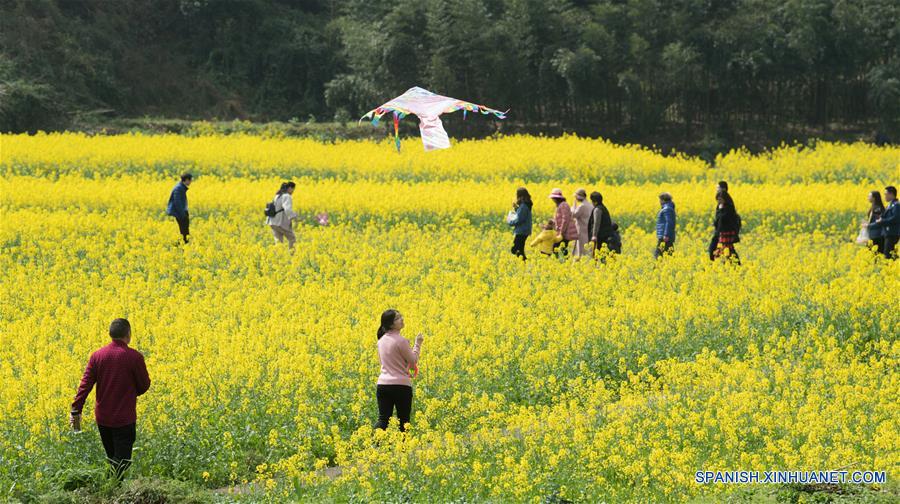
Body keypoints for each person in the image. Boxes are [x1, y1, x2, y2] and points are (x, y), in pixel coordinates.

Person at [70, 319, 151, 481]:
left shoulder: (97, 356)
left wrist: (76, 409)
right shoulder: (134, 357)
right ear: (128, 334)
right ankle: (105, 488)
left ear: (110, 334)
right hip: (124, 419)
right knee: (122, 462)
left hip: (103, 419)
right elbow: (144, 385)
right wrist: (130, 392)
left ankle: (110, 488)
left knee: (113, 459)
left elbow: (85, 385)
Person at [376, 310, 423, 432]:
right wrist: (418, 344)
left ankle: (373, 444)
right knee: (404, 420)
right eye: (398, 318)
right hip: (401, 386)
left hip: (382, 385)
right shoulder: (401, 341)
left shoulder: (380, 341)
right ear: (391, 324)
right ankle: (404, 449)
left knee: (383, 420)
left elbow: (385, 363)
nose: (402, 319)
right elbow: (413, 360)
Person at [865, 186, 899, 259]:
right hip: (887, 233)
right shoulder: (889, 205)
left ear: (891, 194)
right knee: (889, 254)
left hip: (891, 233)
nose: (884, 196)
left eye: (886, 194)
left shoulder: (896, 205)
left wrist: (881, 221)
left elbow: (895, 218)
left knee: (888, 255)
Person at [266, 181, 298, 251]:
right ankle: (293, 256)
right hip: (280, 222)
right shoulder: (287, 196)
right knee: (292, 238)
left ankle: (277, 257)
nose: (293, 191)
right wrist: (294, 216)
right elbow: (287, 209)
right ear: (289, 188)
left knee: (278, 241)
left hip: (272, 222)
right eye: (293, 189)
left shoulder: (277, 196)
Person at [712, 192, 741, 264]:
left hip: (727, 232)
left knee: (727, 248)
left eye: (720, 199)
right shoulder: (720, 208)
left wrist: (721, 210)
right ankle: (727, 263)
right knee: (724, 248)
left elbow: (723, 219)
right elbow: (717, 220)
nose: (719, 202)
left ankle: (734, 263)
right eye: (718, 200)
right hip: (722, 232)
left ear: (725, 199)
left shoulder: (728, 208)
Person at [549, 188, 578, 258]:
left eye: (553, 198)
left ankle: (564, 262)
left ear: (556, 198)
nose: (552, 200)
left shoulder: (563, 205)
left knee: (557, 247)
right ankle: (563, 262)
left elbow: (565, 219)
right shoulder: (560, 205)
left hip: (565, 232)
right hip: (561, 232)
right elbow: (559, 219)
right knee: (561, 248)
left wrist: (561, 232)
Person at [587, 191, 616, 257]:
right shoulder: (603, 208)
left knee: (599, 255)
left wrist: (594, 235)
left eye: (592, 201)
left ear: (595, 201)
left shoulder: (597, 210)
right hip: (606, 236)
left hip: (601, 237)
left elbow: (596, 223)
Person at [507, 187, 533, 260]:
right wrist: (516, 208)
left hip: (522, 231)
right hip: (524, 230)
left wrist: (510, 222)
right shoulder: (524, 205)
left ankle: (525, 262)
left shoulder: (524, 206)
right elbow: (521, 215)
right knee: (519, 250)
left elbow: (519, 219)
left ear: (521, 196)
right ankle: (525, 264)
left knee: (515, 249)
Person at [166, 173, 193, 243]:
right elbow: (177, 202)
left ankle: (184, 244)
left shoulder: (181, 187)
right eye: (190, 180)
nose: (191, 182)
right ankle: (182, 244)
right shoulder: (179, 188)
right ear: (186, 180)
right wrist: (183, 214)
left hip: (181, 212)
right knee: (184, 231)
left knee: (184, 231)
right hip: (180, 213)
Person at [708, 181, 731, 260]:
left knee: (726, 250)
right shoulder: (721, 202)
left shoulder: (727, 204)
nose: (716, 189)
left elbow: (724, 218)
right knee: (725, 250)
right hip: (720, 230)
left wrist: (721, 210)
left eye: (718, 188)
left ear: (723, 189)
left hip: (724, 231)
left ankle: (712, 265)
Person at [571, 188, 594, 259]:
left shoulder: (582, 206)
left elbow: (573, 214)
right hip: (588, 229)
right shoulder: (590, 205)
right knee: (587, 248)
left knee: (580, 249)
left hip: (581, 230)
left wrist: (573, 206)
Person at [865, 190, 886, 255]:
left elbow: (879, 222)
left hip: (877, 236)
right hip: (872, 235)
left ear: (874, 198)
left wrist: (868, 225)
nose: (868, 198)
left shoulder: (878, 208)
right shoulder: (873, 207)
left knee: (876, 254)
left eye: (869, 196)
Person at [655, 192, 676, 258]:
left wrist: (666, 235)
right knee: (668, 255)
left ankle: (658, 268)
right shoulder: (668, 208)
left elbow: (669, 222)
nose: (659, 202)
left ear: (663, 200)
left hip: (665, 237)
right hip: (665, 236)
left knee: (659, 255)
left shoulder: (667, 209)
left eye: (660, 200)